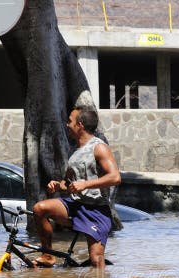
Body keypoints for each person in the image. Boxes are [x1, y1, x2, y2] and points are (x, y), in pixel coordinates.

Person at [32, 106, 121, 269]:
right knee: (40, 209)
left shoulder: (99, 147)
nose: (67, 125)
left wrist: (85, 184)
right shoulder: (75, 151)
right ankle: (48, 256)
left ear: (80, 125)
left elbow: (115, 177)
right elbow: (69, 183)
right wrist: (58, 185)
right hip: (75, 205)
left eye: (70, 121)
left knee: (95, 260)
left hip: (96, 210)